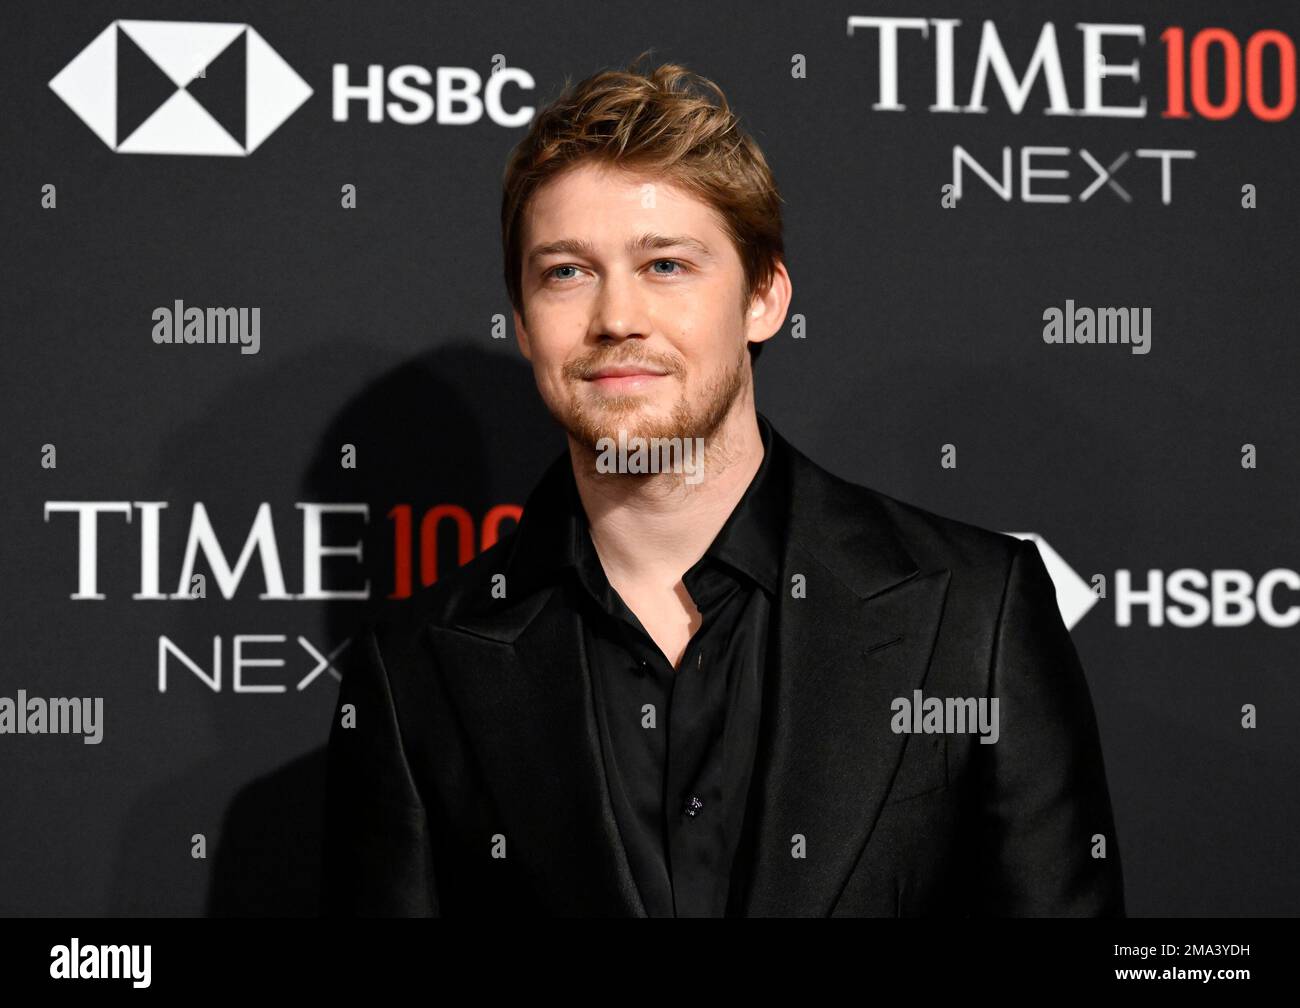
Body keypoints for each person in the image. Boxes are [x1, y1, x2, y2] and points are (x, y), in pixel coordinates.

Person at [322, 54, 1124, 917]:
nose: (616, 318)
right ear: (521, 323)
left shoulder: (973, 612)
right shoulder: (412, 673)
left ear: (764, 298)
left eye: (666, 265)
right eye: (566, 271)